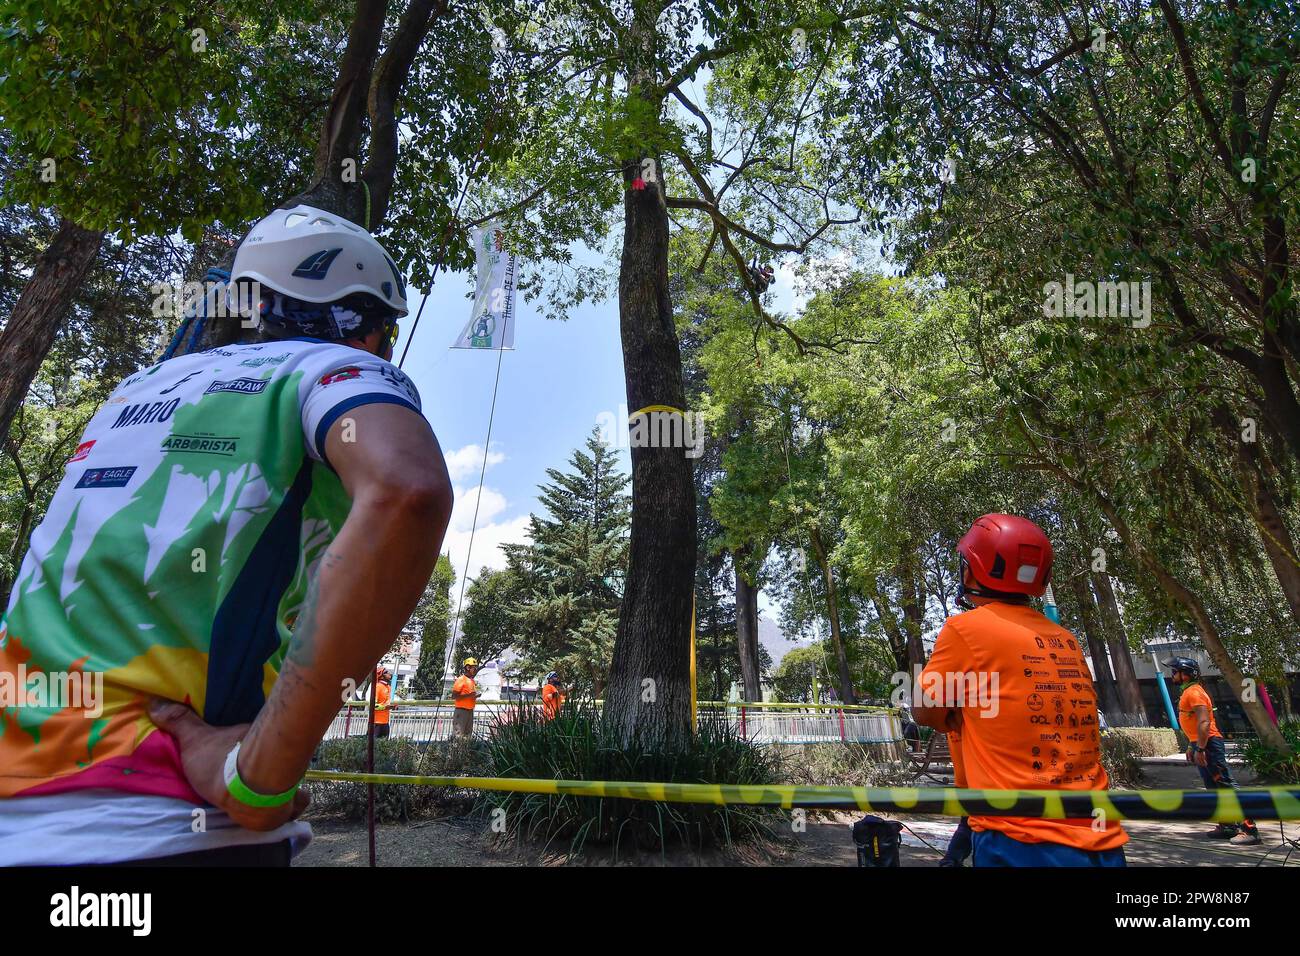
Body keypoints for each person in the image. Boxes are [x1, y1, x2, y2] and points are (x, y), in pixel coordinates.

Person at [0, 204, 453, 865]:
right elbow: (407, 491)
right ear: (362, 324)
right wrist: (259, 775)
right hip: (166, 825)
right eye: (382, 329)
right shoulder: (330, 370)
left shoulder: (134, 391)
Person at [915, 514, 1128, 867]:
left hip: (1019, 837)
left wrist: (959, 709)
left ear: (972, 570)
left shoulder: (966, 630)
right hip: (1099, 835)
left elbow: (925, 712)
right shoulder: (1066, 639)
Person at [1165, 657, 1261, 846]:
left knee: (1226, 785)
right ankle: (1227, 826)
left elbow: (1204, 722)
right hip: (1201, 743)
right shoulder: (1188, 692)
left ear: (1186, 674)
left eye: (1175, 671)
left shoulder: (1195, 693)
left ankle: (1250, 829)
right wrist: (1192, 745)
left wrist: (1201, 747)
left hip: (1209, 744)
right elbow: (1193, 724)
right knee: (1214, 787)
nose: (1172, 675)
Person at [451, 658, 480, 737]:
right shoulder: (461, 680)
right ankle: (456, 749)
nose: (475, 669)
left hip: (470, 711)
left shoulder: (471, 681)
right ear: (468, 668)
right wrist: (469, 695)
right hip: (461, 711)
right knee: (458, 734)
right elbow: (454, 696)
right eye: (474, 667)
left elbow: (470, 695)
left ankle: (466, 749)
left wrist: (475, 696)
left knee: (467, 735)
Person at [373, 667, 393, 739]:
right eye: (386, 672)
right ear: (381, 675)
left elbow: (386, 702)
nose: (389, 674)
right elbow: (373, 705)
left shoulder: (388, 687)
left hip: (386, 722)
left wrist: (393, 706)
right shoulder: (378, 687)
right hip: (376, 722)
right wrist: (385, 707)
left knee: (384, 746)